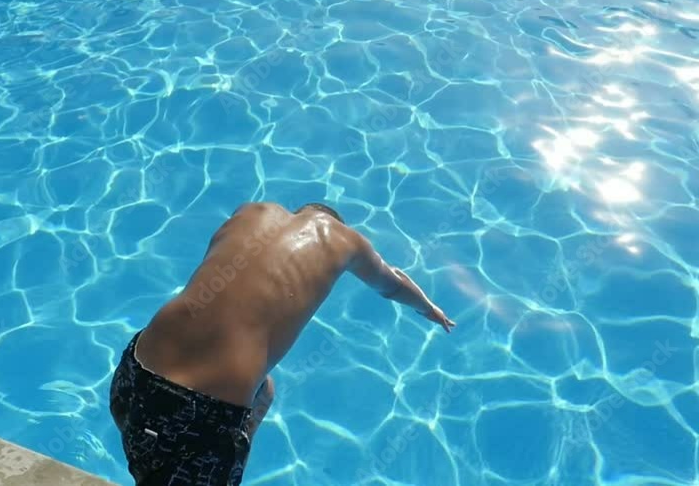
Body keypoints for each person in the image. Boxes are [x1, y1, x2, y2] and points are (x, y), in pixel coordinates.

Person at [109, 202, 456, 485]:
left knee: (265, 389)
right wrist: (429, 307)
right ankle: (230, 447)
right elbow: (393, 282)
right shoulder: (344, 239)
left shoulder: (250, 211)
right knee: (258, 397)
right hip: (203, 413)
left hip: (134, 372)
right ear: (332, 220)